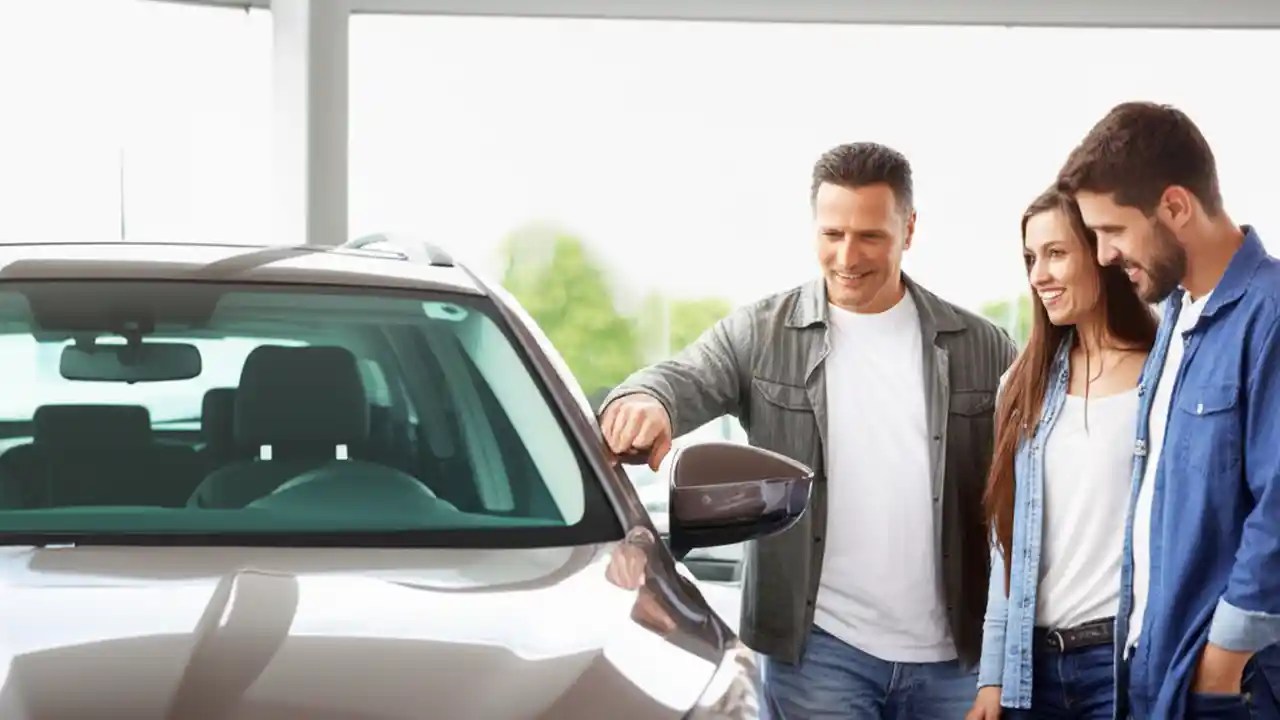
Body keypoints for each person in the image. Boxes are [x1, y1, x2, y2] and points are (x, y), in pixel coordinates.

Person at [598, 141, 1017, 718]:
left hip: (954, 661)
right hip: (819, 654)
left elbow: (1032, 492)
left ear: (909, 229)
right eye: (832, 234)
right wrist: (645, 400)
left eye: (870, 236)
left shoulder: (983, 348)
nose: (848, 255)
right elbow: (682, 376)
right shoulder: (764, 334)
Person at [1056, 101, 1280, 719]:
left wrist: (1223, 664)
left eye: (1113, 232)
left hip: (1230, 686)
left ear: (1176, 207)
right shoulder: (1179, 316)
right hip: (1154, 672)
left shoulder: (1271, 315)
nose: (1101, 255)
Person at [965, 188, 1157, 720]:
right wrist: (992, 679)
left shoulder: (1162, 378)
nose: (1038, 275)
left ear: (1102, 252)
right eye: (1030, 258)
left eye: (1055, 253)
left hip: (1120, 668)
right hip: (1033, 672)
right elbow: (1006, 547)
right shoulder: (1020, 385)